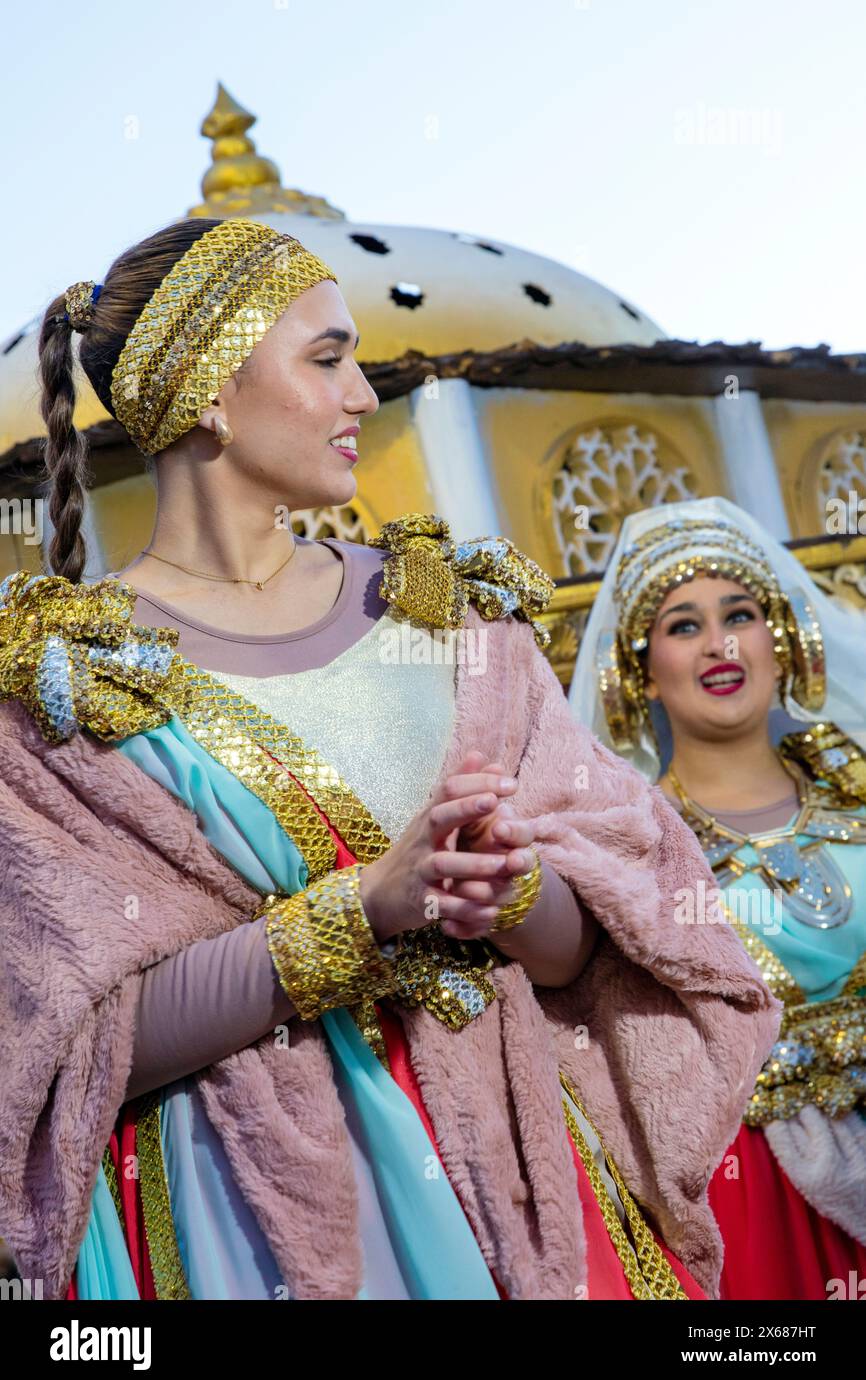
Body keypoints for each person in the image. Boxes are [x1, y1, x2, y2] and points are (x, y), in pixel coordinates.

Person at [0, 220, 779, 1301]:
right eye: (326, 359)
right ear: (206, 390)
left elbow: (581, 959)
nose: (364, 395)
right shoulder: (62, 685)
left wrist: (515, 888)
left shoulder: (447, 616)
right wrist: (362, 909)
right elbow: (61, 1048)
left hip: (514, 1181)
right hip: (245, 1218)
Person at [569, 494, 866, 1299]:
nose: (720, 642)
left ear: (783, 637)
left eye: (738, 612)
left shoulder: (860, 797)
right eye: (683, 625)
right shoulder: (637, 853)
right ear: (640, 675)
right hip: (762, 1196)